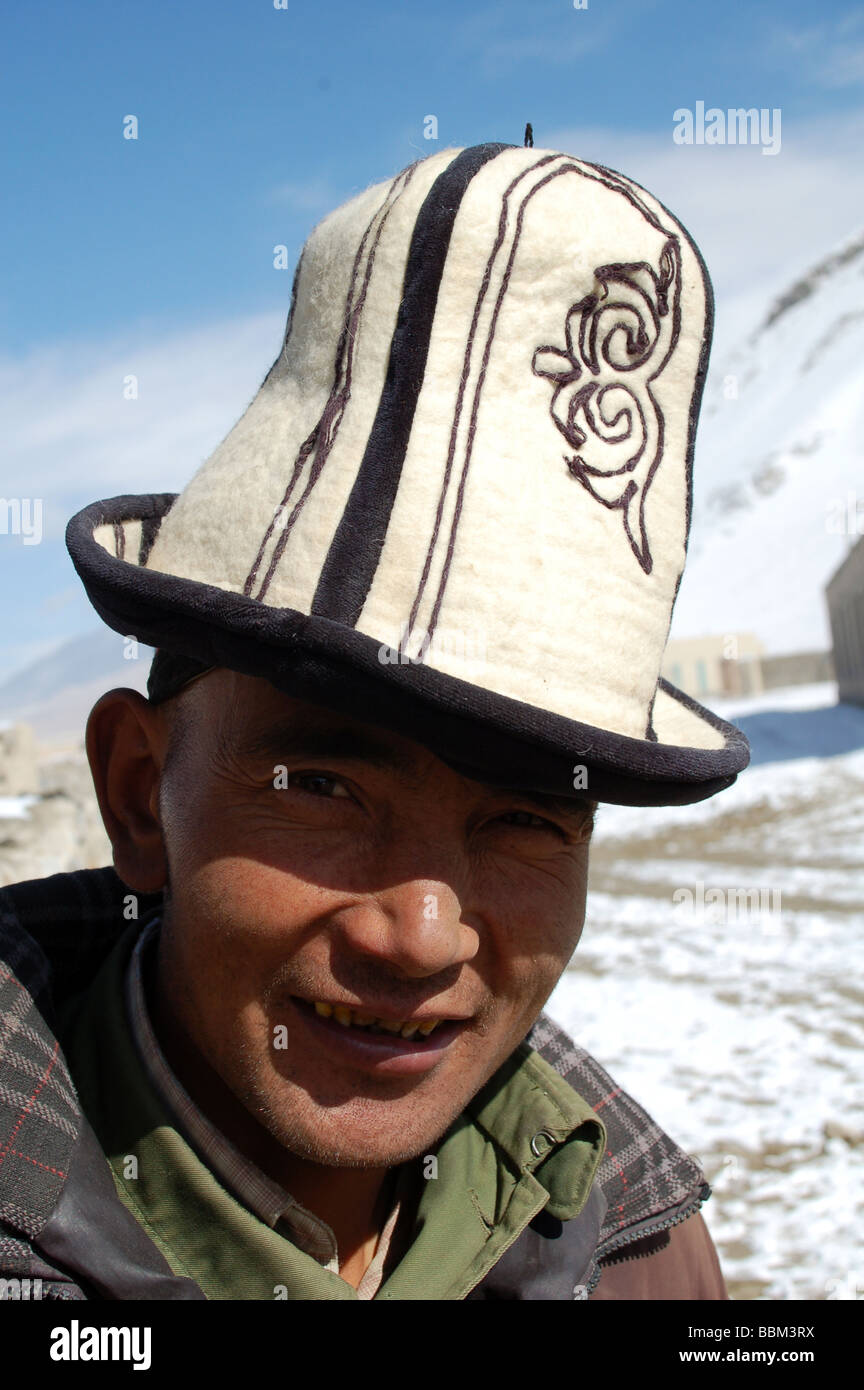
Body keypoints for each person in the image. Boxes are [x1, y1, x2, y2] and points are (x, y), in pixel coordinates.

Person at [0, 141, 749, 1301]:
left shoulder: (638, 1257)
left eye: (523, 819)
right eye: (323, 787)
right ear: (141, 793)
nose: (423, 935)